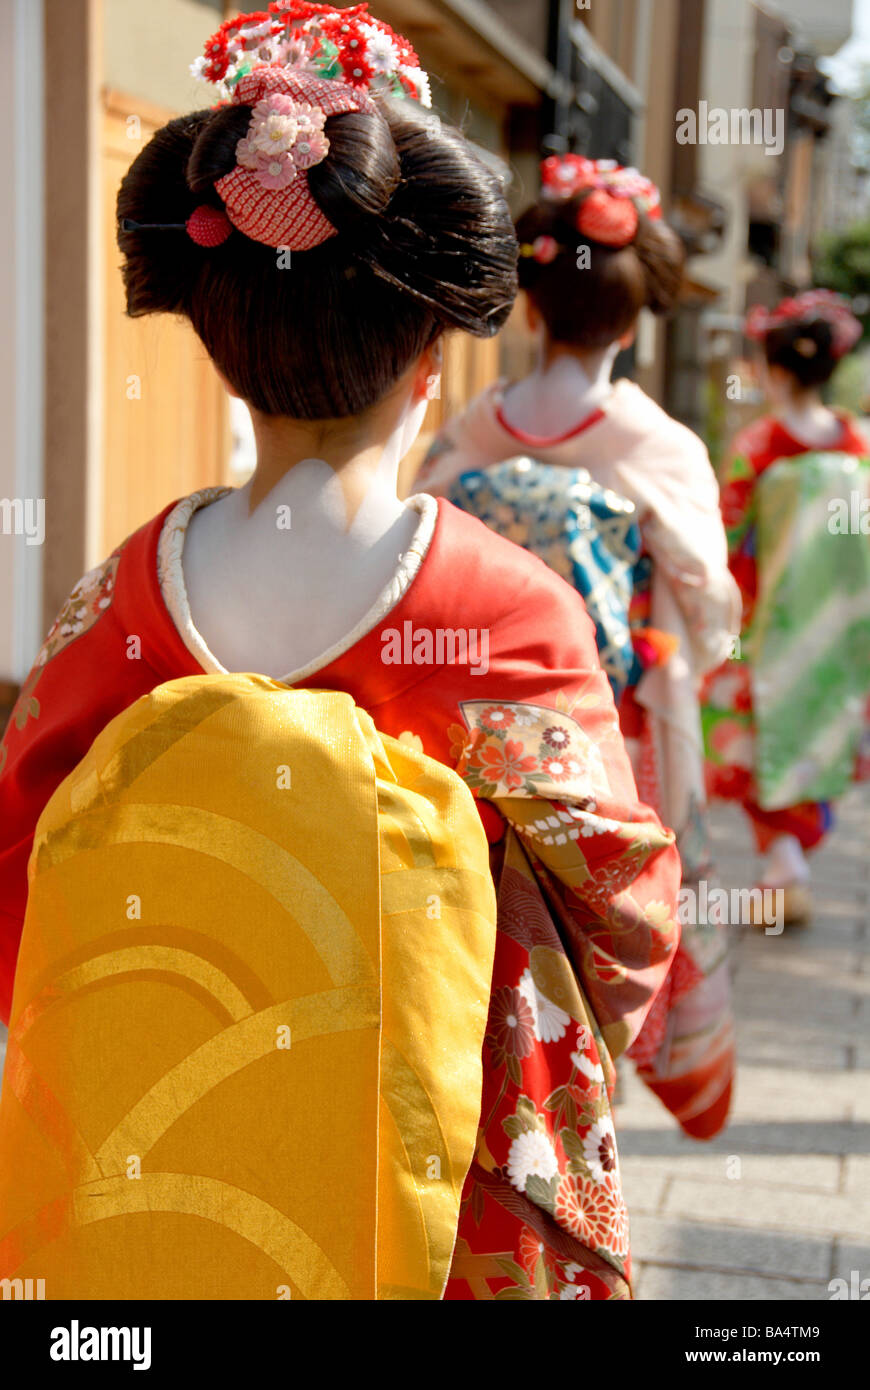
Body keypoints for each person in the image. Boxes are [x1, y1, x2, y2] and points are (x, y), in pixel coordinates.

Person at [0, 4, 681, 1301]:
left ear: (213, 344)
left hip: (170, 1121)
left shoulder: (122, 603)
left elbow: (16, 853)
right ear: (434, 357)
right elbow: (623, 893)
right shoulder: (501, 605)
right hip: (451, 1138)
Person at [418, 154, 740, 1139]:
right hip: (614, 719)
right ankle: (592, 1089)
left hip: (480, 717)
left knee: (497, 908)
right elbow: (709, 604)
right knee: (609, 904)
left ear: (528, 309)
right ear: (638, 320)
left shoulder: (476, 427)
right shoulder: (658, 446)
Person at [703, 290, 870, 924]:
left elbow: (727, 532)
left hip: (764, 622)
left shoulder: (760, 443)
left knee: (761, 733)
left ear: (772, 369)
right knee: (818, 731)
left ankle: (784, 865)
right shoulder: (856, 444)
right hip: (838, 627)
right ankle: (789, 863)